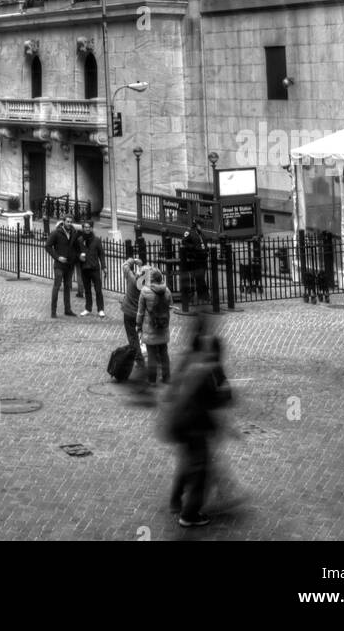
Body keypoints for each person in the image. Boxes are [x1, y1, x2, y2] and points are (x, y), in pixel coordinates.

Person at [167, 332, 233, 528]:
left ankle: (176, 500)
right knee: (199, 470)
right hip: (193, 426)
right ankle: (189, 514)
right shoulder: (207, 370)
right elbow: (219, 398)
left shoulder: (191, 361)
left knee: (189, 462)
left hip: (181, 424)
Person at [136, 267, 173, 384]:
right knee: (164, 352)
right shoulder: (166, 290)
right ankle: (166, 377)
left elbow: (140, 311)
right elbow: (170, 305)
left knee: (151, 353)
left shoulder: (145, 291)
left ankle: (152, 380)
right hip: (163, 325)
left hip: (150, 326)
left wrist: (138, 324)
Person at [46, 214, 81, 318]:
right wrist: (57, 257)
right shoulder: (56, 233)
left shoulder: (74, 232)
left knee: (67, 287)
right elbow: (48, 246)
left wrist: (75, 258)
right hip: (59, 265)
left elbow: (76, 247)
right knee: (56, 287)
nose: (69, 223)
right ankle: (53, 311)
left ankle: (68, 309)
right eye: (67, 221)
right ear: (63, 222)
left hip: (69, 265)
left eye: (70, 222)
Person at [121, 255, 148, 376]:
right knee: (142, 334)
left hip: (129, 313)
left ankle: (139, 360)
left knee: (132, 337)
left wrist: (134, 261)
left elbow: (125, 266)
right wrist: (141, 266)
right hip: (140, 314)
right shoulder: (146, 286)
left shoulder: (132, 280)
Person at [76, 219, 106, 317]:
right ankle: (88, 308)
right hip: (84, 268)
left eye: (89, 227)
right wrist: (79, 257)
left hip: (94, 268)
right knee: (87, 290)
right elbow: (76, 252)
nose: (87, 229)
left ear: (92, 228)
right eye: (85, 227)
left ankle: (100, 309)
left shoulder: (96, 240)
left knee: (98, 290)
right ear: (83, 228)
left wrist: (104, 266)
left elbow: (101, 253)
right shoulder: (80, 240)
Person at [180, 226, 210, 307]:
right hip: (195, 258)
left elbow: (204, 243)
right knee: (198, 278)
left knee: (201, 277)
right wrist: (193, 248)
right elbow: (184, 241)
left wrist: (206, 249)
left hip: (203, 258)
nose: (201, 227)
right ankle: (203, 296)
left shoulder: (201, 234)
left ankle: (202, 295)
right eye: (200, 225)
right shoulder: (189, 232)